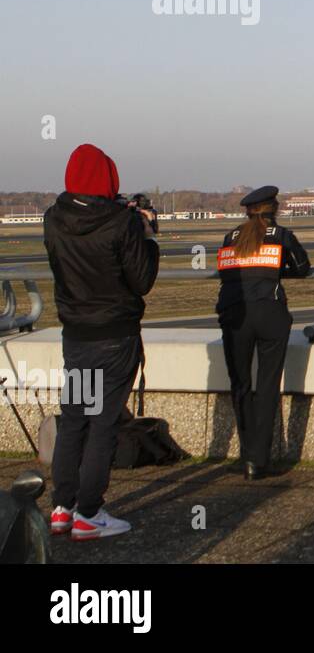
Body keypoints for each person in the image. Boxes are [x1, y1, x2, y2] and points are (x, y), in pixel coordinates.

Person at [43, 144, 159, 540]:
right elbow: (141, 281)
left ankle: (62, 507)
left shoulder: (53, 219)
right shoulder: (121, 224)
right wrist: (146, 235)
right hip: (114, 337)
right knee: (102, 425)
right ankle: (89, 514)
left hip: (76, 337)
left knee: (74, 420)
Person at [215, 186, 312, 480]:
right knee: (268, 385)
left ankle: (247, 455)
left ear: (247, 211)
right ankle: (260, 459)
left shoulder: (231, 237)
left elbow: (224, 273)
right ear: (275, 208)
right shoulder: (281, 235)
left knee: (240, 384)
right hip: (270, 313)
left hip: (235, 315)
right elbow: (303, 267)